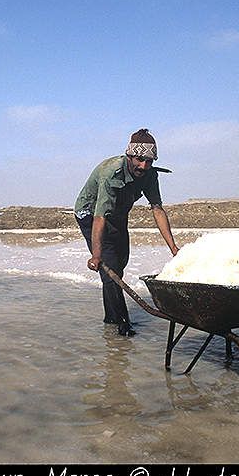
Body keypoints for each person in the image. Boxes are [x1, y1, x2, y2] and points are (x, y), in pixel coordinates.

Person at [75, 128, 179, 336]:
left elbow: (157, 209)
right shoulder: (110, 172)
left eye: (149, 161)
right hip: (91, 214)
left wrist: (174, 248)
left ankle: (111, 317)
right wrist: (96, 255)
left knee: (120, 262)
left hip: (118, 215)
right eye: (140, 160)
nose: (144, 166)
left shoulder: (149, 175)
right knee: (110, 269)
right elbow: (99, 217)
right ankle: (120, 325)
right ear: (130, 155)